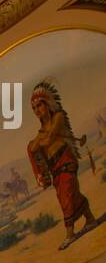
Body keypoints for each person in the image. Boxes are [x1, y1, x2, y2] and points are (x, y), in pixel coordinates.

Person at [27, 79, 97, 250]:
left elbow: (48, 139)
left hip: (66, 160)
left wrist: (38, 142)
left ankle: (69, 234)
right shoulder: (42, 130)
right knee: (68, 195)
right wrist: (35, 143)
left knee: (66, 194)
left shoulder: (58, 117)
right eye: (34, 108)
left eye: (39, 106)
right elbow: (34, 146)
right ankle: (90, 219)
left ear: (47, 104)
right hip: (55, 166)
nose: (37, 110)